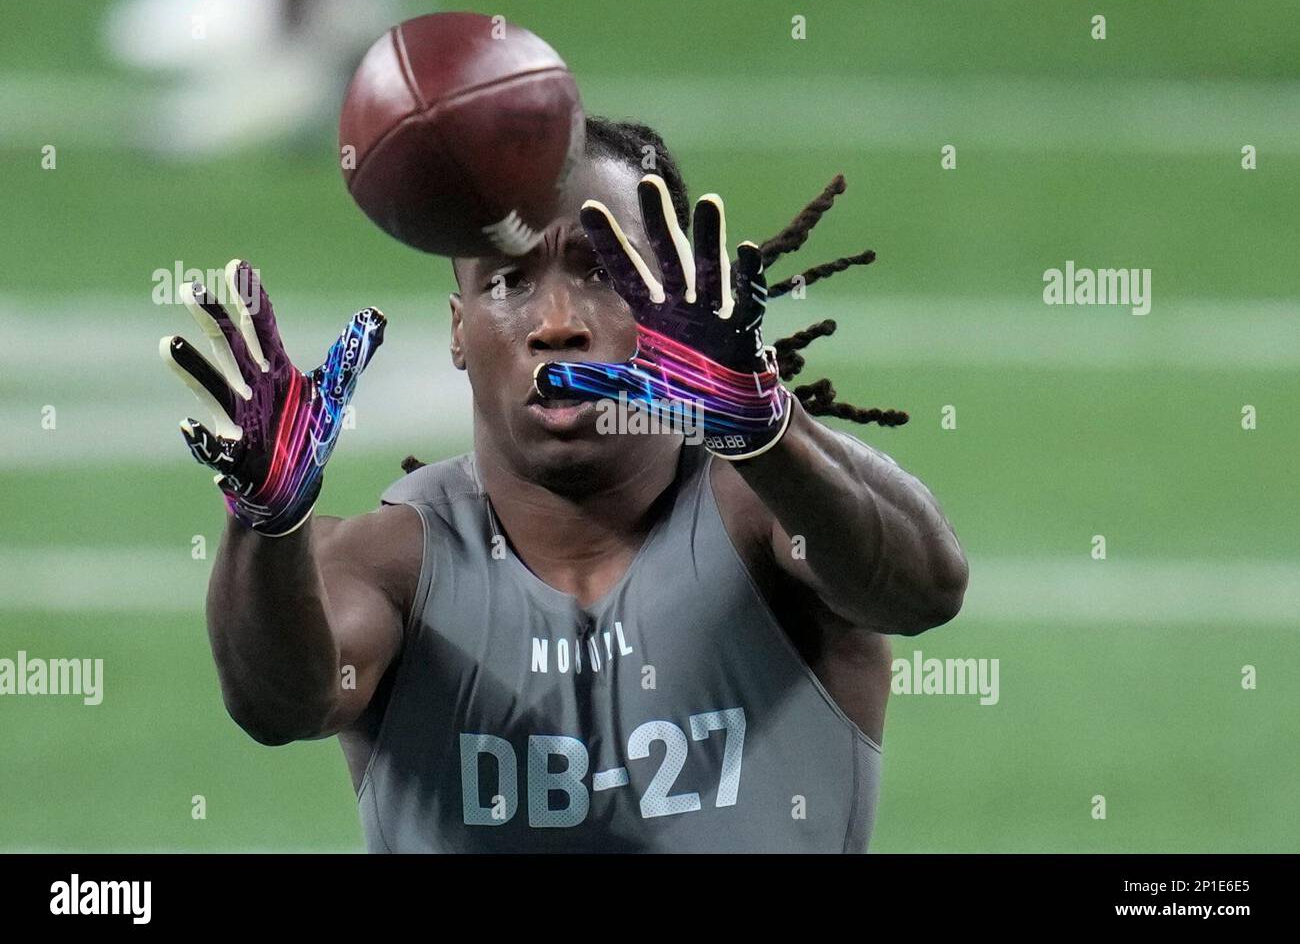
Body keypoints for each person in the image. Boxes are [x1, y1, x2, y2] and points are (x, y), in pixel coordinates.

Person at [159, 116, 968, 852]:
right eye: (508, 280)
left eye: (603, 271)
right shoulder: (392, 564)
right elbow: (279, 704)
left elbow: (927, 588)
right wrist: (268, 523)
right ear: (458, 329)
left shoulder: (771, 511)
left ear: (672, 300)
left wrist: (767, 430)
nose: (556, 321)